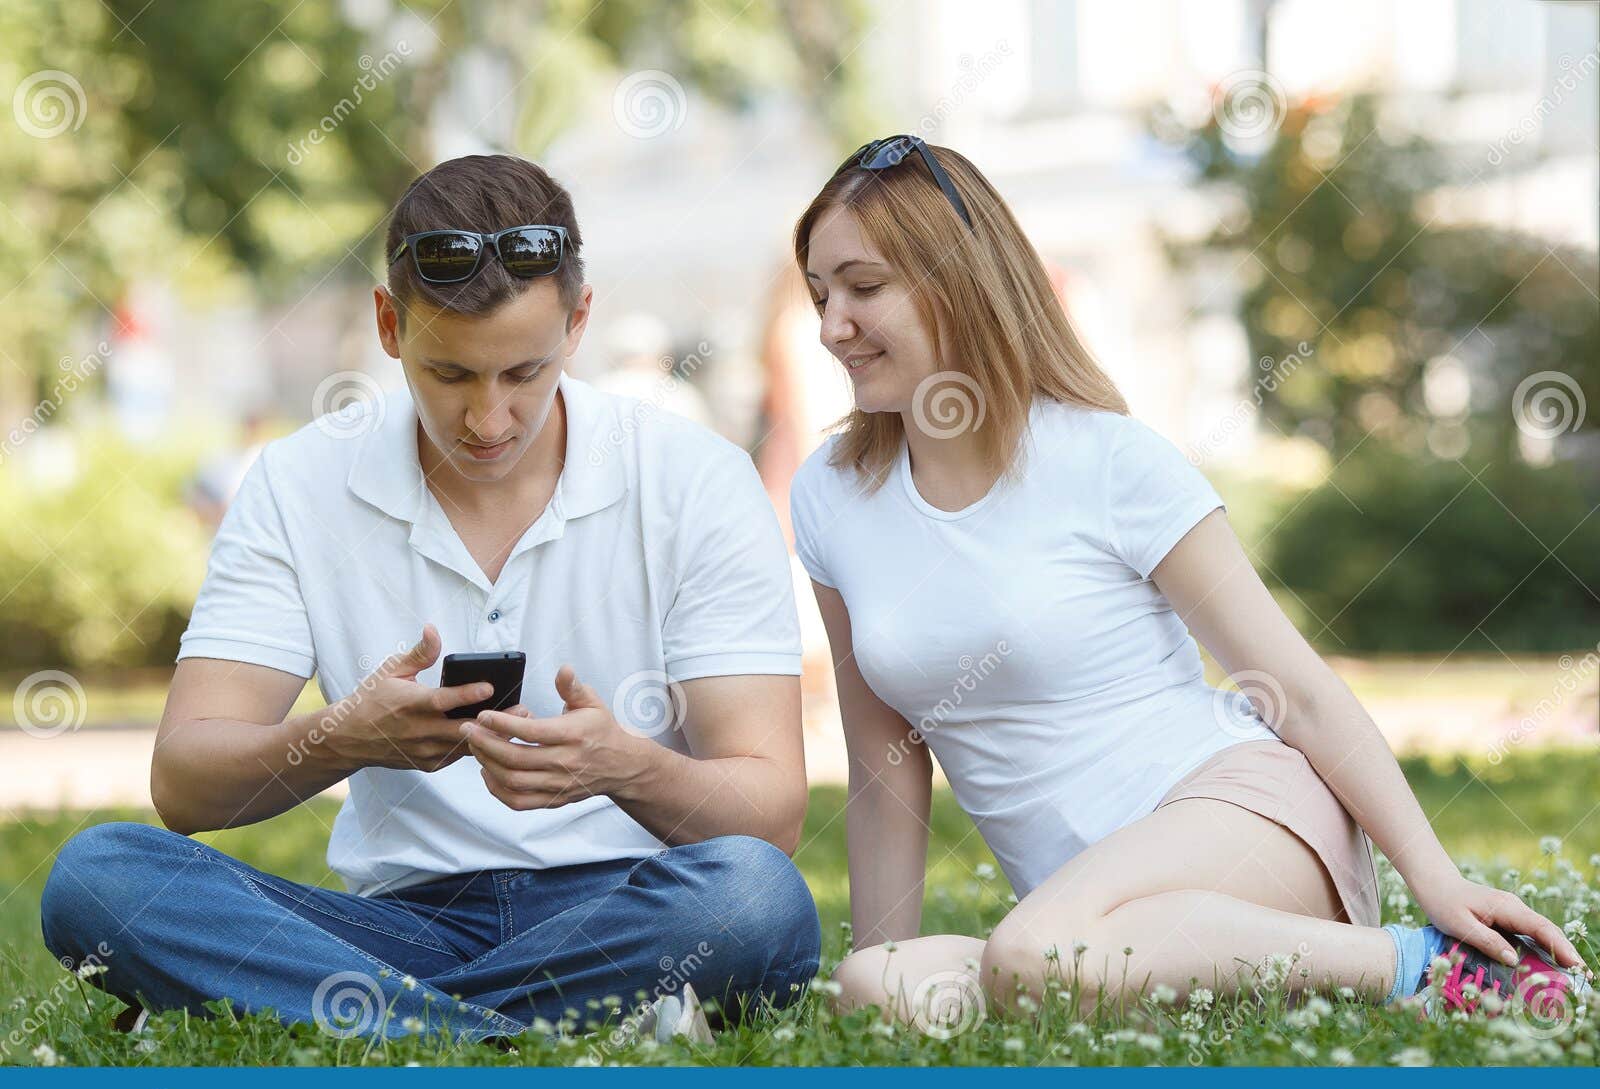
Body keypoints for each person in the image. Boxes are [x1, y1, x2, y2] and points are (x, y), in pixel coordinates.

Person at [787, 135, 1591, 1027]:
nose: (832, 327)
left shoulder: (1106, 459)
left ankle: (1422, 963)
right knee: (877, 982)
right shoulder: (832, 497)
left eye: (864, 289)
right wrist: (883, 962)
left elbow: (1296, 688)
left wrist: (1434, 880)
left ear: (959, 279)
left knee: (1030, 951)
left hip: (1241, 817)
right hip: (1085, 909)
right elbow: (884, 760)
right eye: (820, 295)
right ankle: (1100, 968)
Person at [41, 154, 820, 1043]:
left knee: (755, 898)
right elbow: (184, 784)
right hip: (395, 925)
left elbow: (772, 813)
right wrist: (342, 737)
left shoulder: (695, 479)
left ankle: (380, 1020)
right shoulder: (300, 482)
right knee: (100, 876)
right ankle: (537, 1025)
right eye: (450, 375)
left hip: (631, 905)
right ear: (387, 322)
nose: (489, 421)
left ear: (580, 321)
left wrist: (622, 766)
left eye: (524, 372)